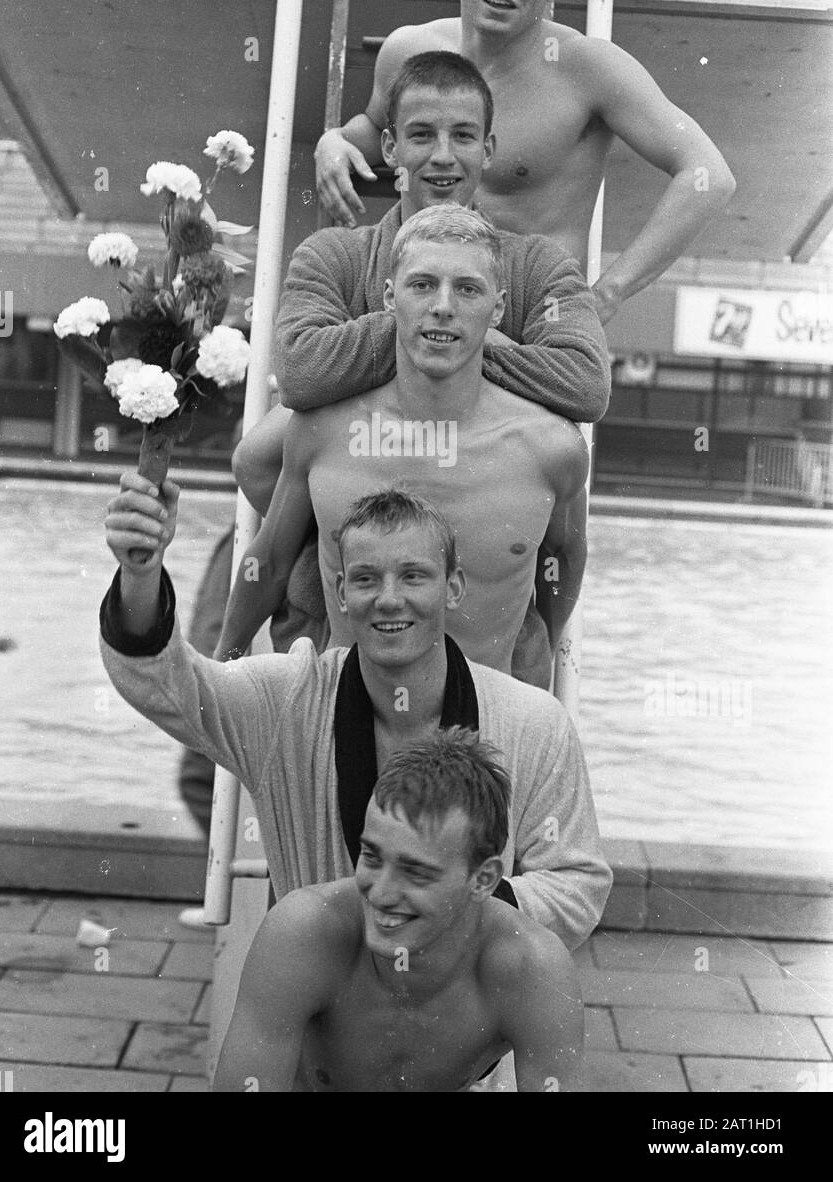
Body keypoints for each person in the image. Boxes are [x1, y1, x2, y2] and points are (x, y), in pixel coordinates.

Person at [100, 484, 611, 950]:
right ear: (341, 593)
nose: (389, 599)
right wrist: (140, 575)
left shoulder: (533, 722)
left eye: (413, 575)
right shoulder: (284, 701)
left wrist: (450, 909)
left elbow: (575, 881)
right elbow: (168, 688)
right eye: (366, 579)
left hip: (464, 1028)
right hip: (315, 1013)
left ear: (453, 588)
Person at [233, 50, 609, 678]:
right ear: (388, 146)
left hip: (488, 614)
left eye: (462, 136)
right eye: (420, 135)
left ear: (488, 149)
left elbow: (586, 382)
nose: (442, 156)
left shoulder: (536, 265)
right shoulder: (334, 255)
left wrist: (456, 339)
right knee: (273, 447)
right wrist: (436, 332)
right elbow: (299, 371)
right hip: (346, 605)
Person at [314, 0, 735, 324]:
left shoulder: (588, 67)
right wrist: (333, 141)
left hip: (531, 322)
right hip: (428, 318)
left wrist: (608, 294)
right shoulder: (409, 50)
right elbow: (373, 131)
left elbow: (708, 176)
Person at [216, 205, 589, 687]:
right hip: (349, 728)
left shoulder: (552, 449)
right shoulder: (324, 430)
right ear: (390, 297)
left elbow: (562, 564)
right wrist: (220, 668)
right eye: (422, 285)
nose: (443, 306)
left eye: (468, 289)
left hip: (486, 732)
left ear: (497, 309)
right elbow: (268, 564)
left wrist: (533, 658)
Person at [213, 729, 583, 1093]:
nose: (382, 892)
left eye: (415, 872)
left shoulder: (532, 967)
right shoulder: (306, 934)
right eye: (371, 857)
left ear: (483, 880)